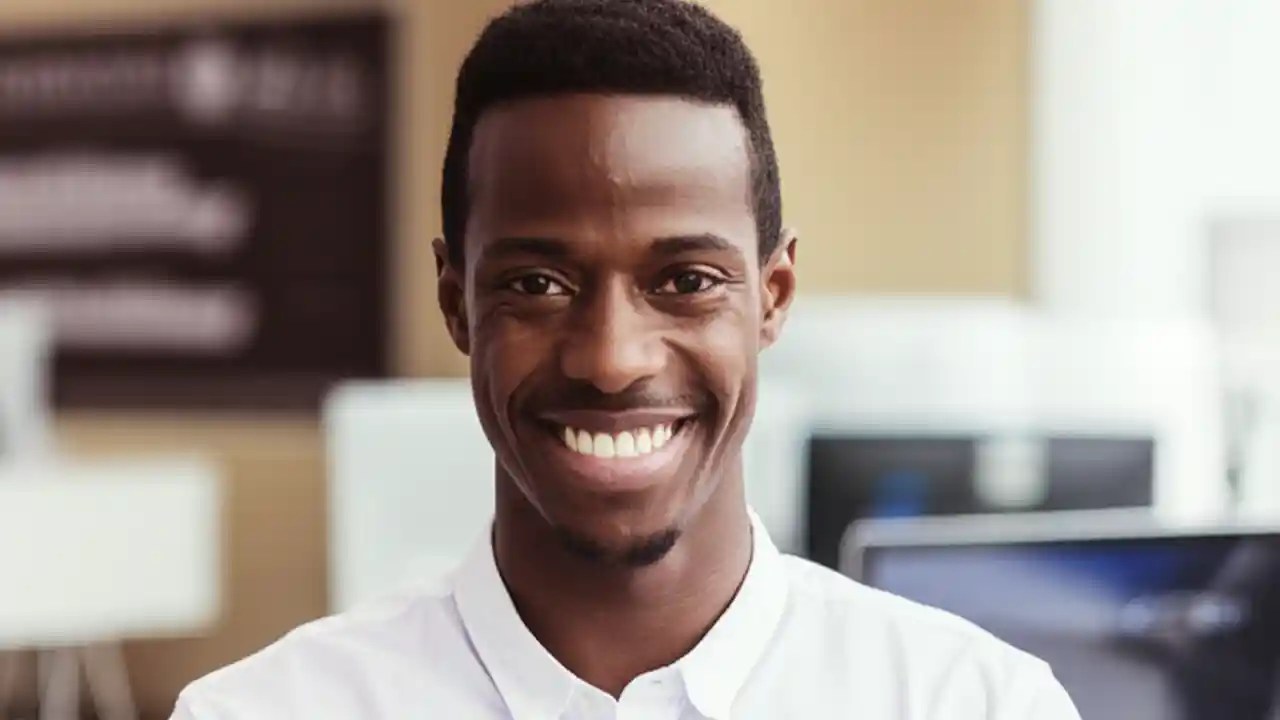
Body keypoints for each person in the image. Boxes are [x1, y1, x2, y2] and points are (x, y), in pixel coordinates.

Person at [170, 1, 1082, 717]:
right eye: (537, 284)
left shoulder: (971, 703)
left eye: (685, 280)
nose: (611, 360)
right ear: (456, 300)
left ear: (773, 295)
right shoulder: (264, 711)